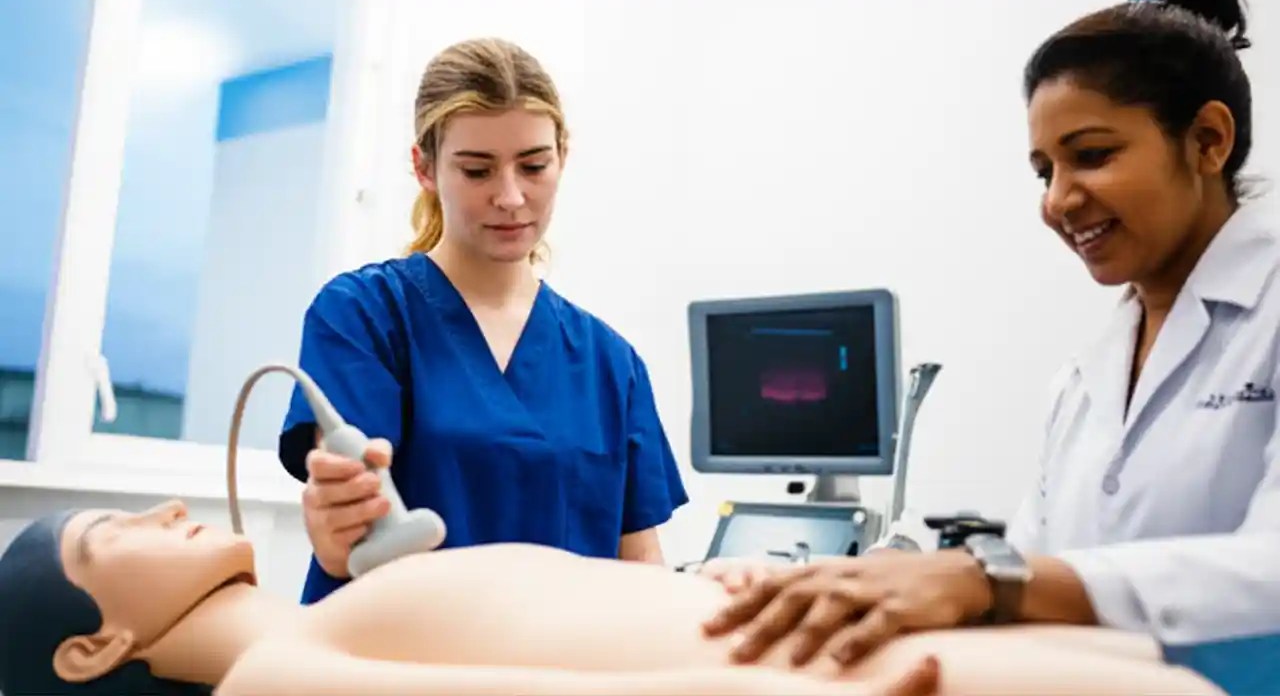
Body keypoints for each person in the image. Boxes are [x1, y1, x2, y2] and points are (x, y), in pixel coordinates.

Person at [699, 0, 1280, 677]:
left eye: (1092, 154)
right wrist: (903, 574)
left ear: (1209, 141)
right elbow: (1042, 567)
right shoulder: (1086, 379)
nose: (1060, 200)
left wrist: (985, 582)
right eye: (1044, 171)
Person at [0, 500, 1228, 696]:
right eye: (116, 532)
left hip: (822, 640)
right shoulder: (272, 676)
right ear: (92, 648)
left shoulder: (309, 628)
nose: (166, 512)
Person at [277, 37, 688, 604]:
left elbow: (643, 571)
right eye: (477, 171)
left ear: (562, 156)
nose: (512, 197)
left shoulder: (611, 363)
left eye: (534, 166)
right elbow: (349, 533)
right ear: (424, 168)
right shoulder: (364, 316)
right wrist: (333, 525)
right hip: (398, 660)